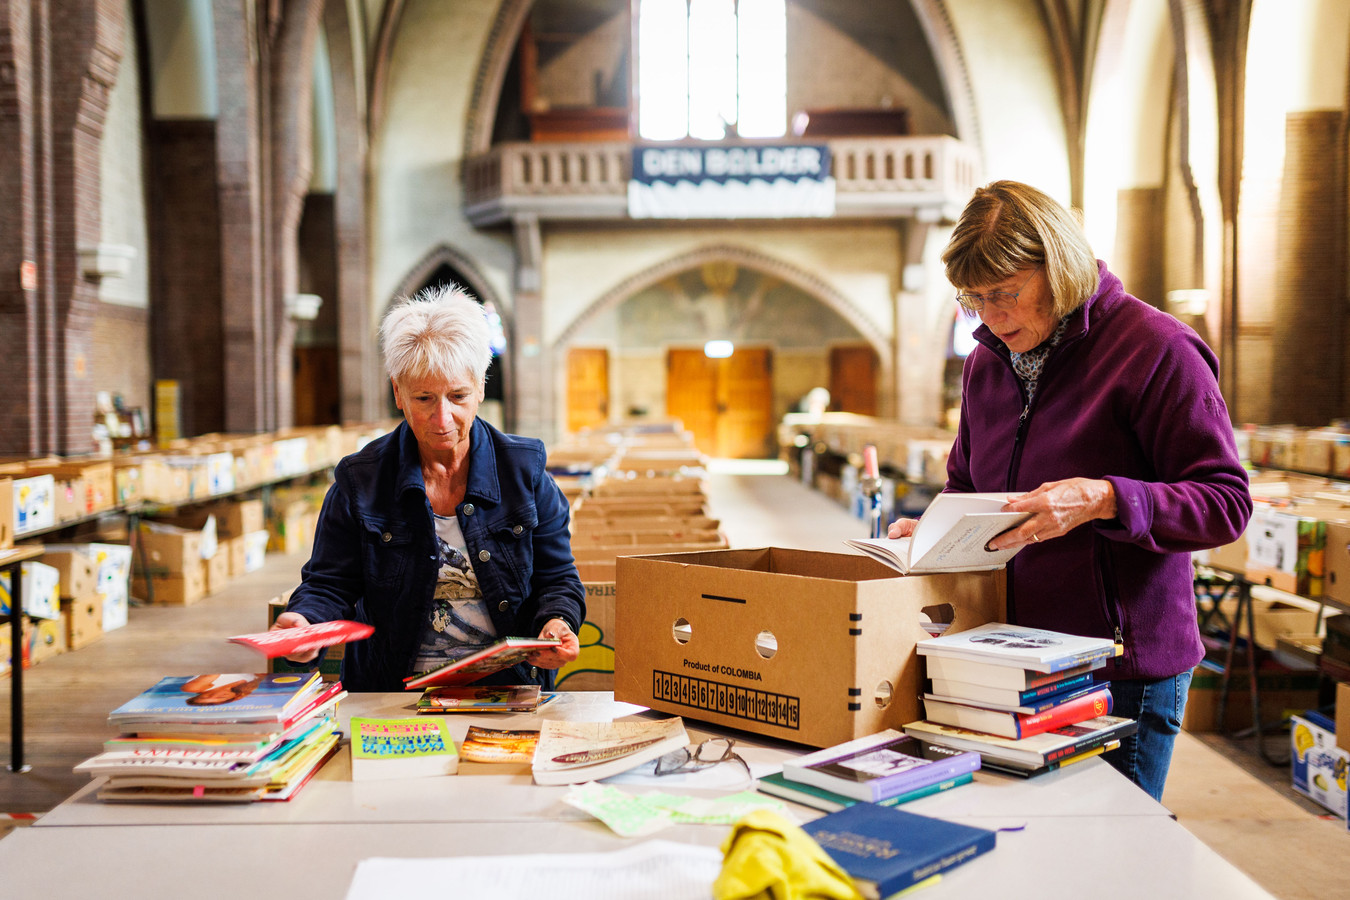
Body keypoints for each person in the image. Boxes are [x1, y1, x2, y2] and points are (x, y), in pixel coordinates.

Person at [889, 180, 1251, 801]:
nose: (992, 318)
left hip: (1118, 667)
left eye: (1006, 294)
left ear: (1058, 268)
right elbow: (967, 484)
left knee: (1111, 856)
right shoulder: (987, 363)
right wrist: (934, 529)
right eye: (974, 299)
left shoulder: (1156, 350)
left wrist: (1106, 499)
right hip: (1007, 656)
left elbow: (1225, 503)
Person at [272, 284, 584, 691]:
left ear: (481, 388)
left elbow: (558, 577)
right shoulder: (361, 480)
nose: (442, 418)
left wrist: (557, 622)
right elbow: (329, 582)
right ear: (397, 392)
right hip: (392, 689)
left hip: (507, 687)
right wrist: (305, 620)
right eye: (423, 398)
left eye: (458, 396)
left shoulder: (524, 471)